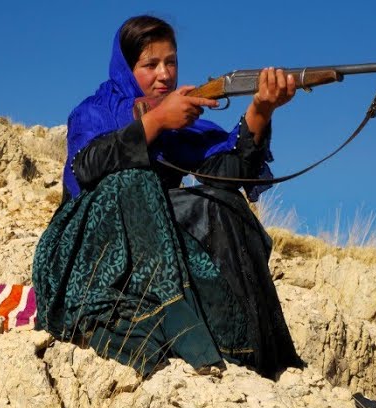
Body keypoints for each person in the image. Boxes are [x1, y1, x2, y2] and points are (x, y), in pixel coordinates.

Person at [33, 15, 319, 378]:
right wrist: (155, 123)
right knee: (135, 181)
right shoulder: (94, 111)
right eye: (150, 65)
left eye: (171, 62)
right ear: (125, 68)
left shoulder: (182, 124)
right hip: (87, 250)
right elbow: (86, 168)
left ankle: (248, 351)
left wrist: (261, 110)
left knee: (221, 205)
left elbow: (229, 175)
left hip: (153, 245)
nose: (165, 74)